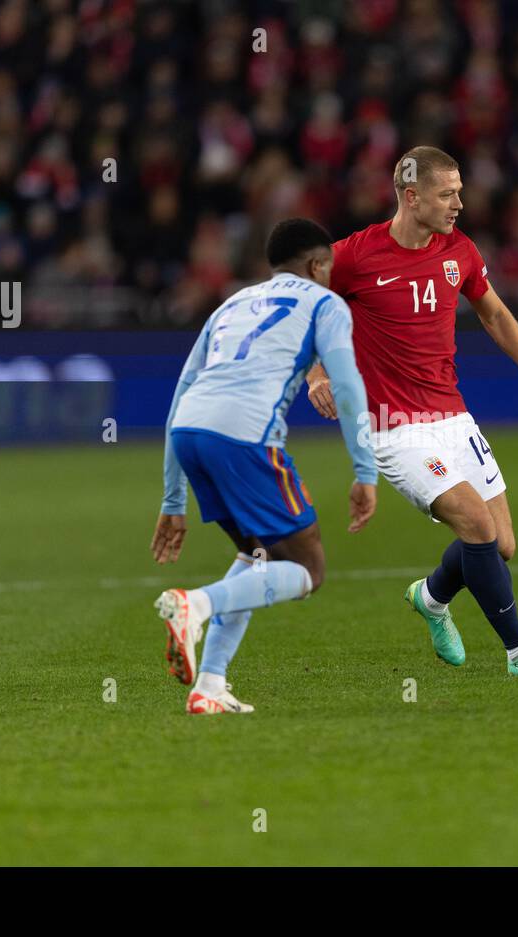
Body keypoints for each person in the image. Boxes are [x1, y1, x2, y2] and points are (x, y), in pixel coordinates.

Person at [307, 146, 518, 676]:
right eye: (448, 193)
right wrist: (316, 373)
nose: (460, 202)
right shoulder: (353, 255)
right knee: (477, 525)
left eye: (459, 191)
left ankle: (432, 597)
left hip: (454, 418)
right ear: (412, 198)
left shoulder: (458, 249)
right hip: (393, 428)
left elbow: (496, 315)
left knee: (501, 545)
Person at [150, 218, 378, 714]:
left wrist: (173, 499)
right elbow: (348, 386)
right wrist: (365, 471)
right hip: (245, 438)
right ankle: (197, 606)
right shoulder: (325, 304)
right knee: (307, 568)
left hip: (191, 431)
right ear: (318, 266)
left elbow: (180, 393)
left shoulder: (230, 304)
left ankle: (209, 685)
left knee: (259, 556)